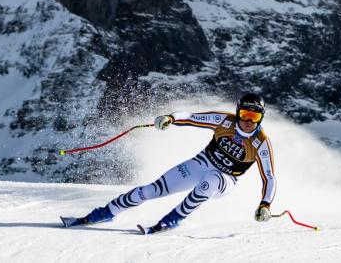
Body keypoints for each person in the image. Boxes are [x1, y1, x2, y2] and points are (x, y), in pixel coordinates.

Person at [61, 93, 277, 234]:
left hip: (226, 179)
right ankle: (105, 213)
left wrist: (265, 205)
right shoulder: (224, 120)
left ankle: (172, 220)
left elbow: (269, 177)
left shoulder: (261, 142)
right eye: (245, 115)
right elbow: (191, 117)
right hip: (201, 163)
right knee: (149, 191)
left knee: (211, 180)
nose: (248, 121)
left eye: (254, 117)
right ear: (238, 112)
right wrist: (170, 118)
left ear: (261, 118)